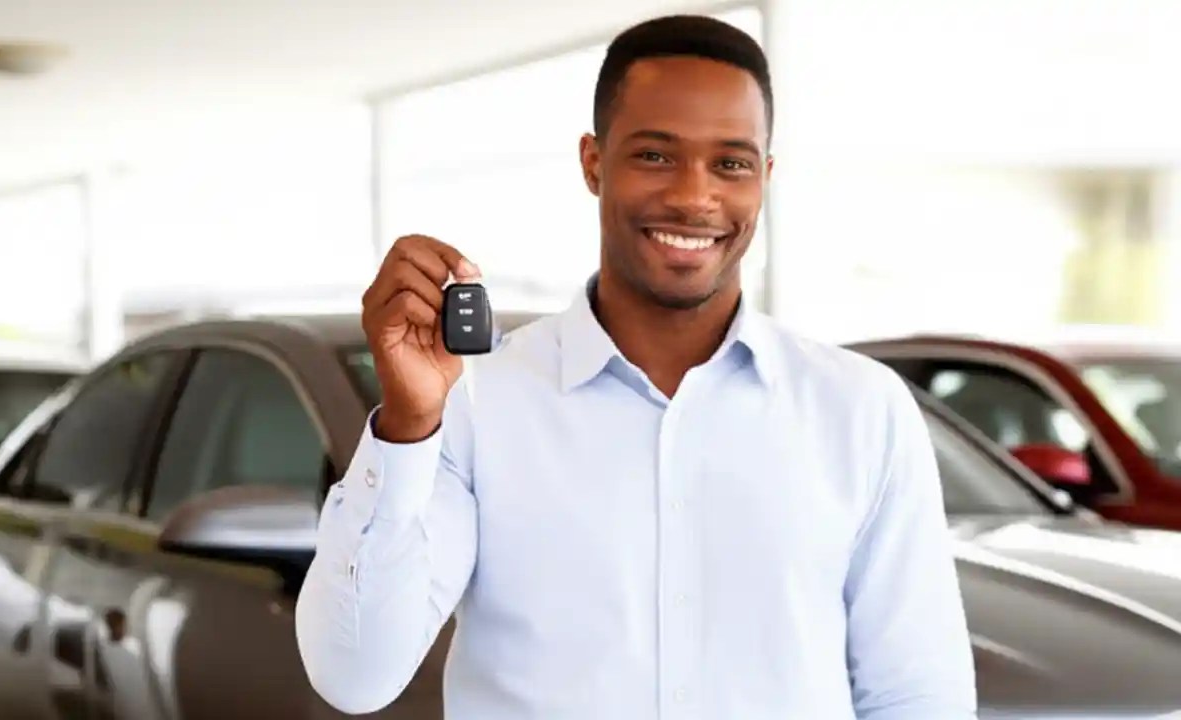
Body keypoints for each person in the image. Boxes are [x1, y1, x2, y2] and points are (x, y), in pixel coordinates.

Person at [296, 13, 978, 719]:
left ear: (765, 177)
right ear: (594, 162)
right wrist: (409, 424)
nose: (693, 195)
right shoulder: (477, 402)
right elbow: (354, 674)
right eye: (655, 155)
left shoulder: (862, 409)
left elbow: (914, 696)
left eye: (731, 163)